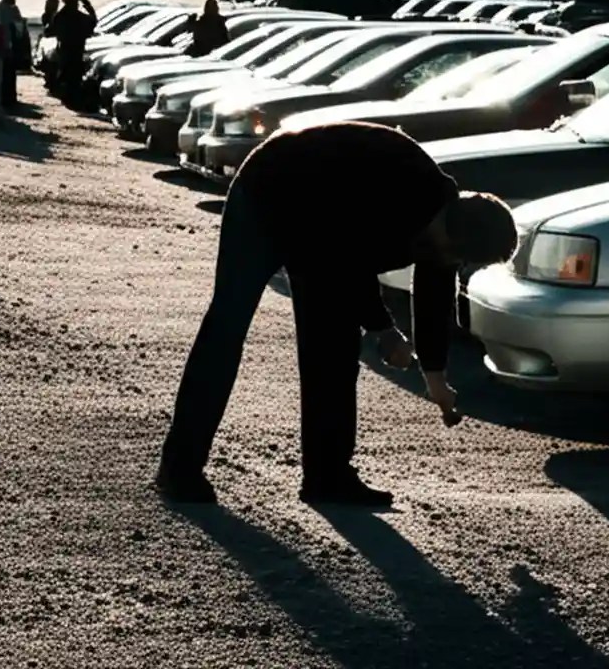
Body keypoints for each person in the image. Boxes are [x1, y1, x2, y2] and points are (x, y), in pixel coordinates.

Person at [155, 122, 520, 507]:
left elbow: (433, 295)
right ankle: (179, 469)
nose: (452, 264)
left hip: (323, 223)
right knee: (226, 328)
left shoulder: (448, 229)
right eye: (456, 256)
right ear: (452, 232)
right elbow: (348, 262)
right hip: (268, 193)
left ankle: (327, 478)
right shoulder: (395, 187)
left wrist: (436, 379)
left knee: (334, 344)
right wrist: (384, 329)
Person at [46, 0, 96, 102]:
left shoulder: (60, 16)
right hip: (76, 50)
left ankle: (67, 95)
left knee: (65, 73)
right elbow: (93, 20)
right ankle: (72, 95)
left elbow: (50, 30)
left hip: (65, 49)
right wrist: (86, 3)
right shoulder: (79, 16)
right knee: (74, 75)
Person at [0, 0, 24, 108]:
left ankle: (3, 96)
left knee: (2, 72)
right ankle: (9, 97)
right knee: (9, 73)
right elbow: (19, 27)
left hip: (0, 44)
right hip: (9, 44)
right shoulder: (13, 9)